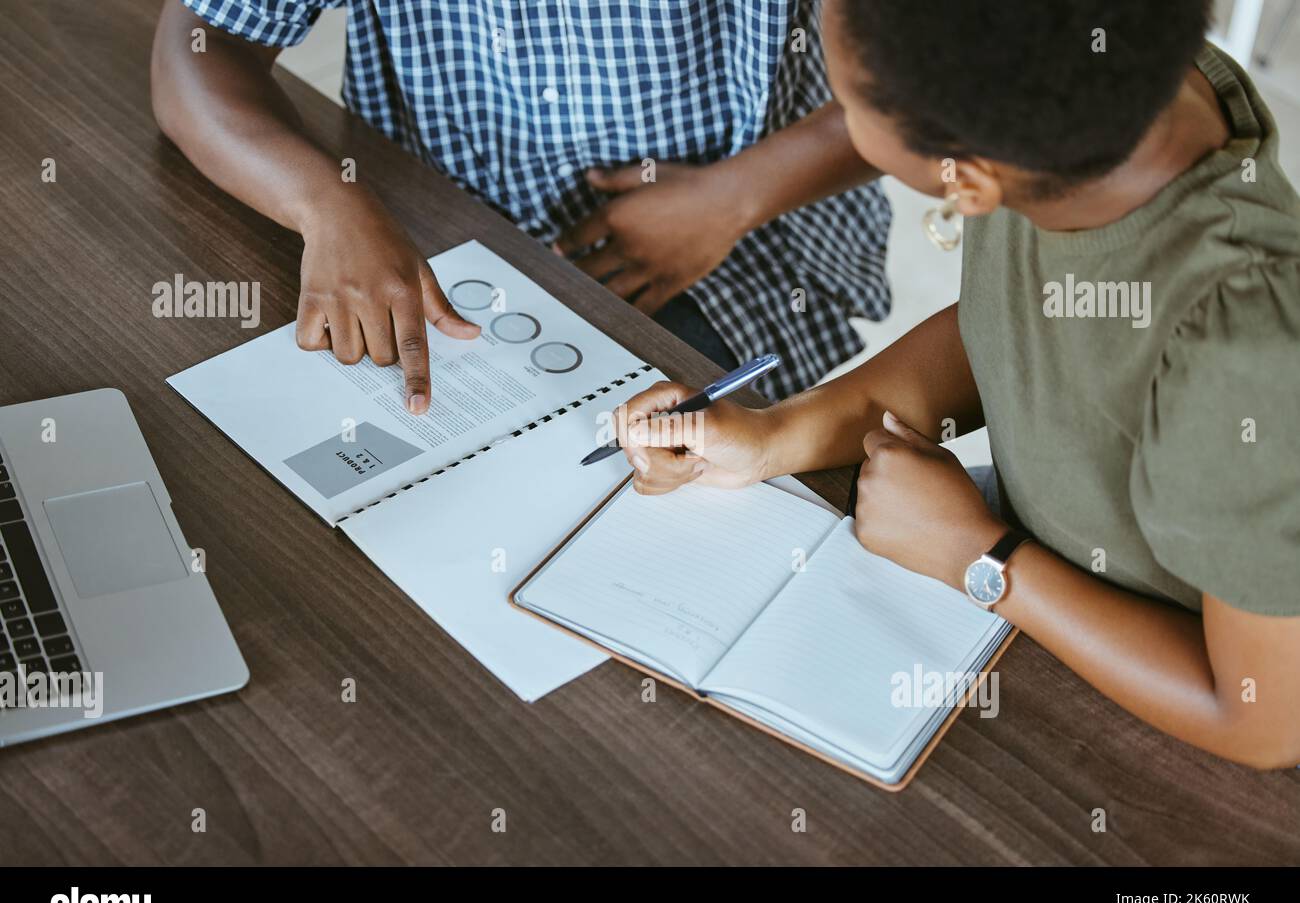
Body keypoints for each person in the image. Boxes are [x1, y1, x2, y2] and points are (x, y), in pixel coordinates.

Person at [615, 0, 1300, 768]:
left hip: (1182, 725)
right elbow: (1012, 325)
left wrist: (978, 557)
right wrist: (776, 434)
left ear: (966, 182)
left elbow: (1261, 722)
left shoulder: (1249, 354)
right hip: (1044, 589)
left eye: (846, 104)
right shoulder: (1092, 114)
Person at [150, 0, 892, 411]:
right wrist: (327, 205)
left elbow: (926, 97)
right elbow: (199, 47)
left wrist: (732, 199)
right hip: (431, 233)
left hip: (742, 246)